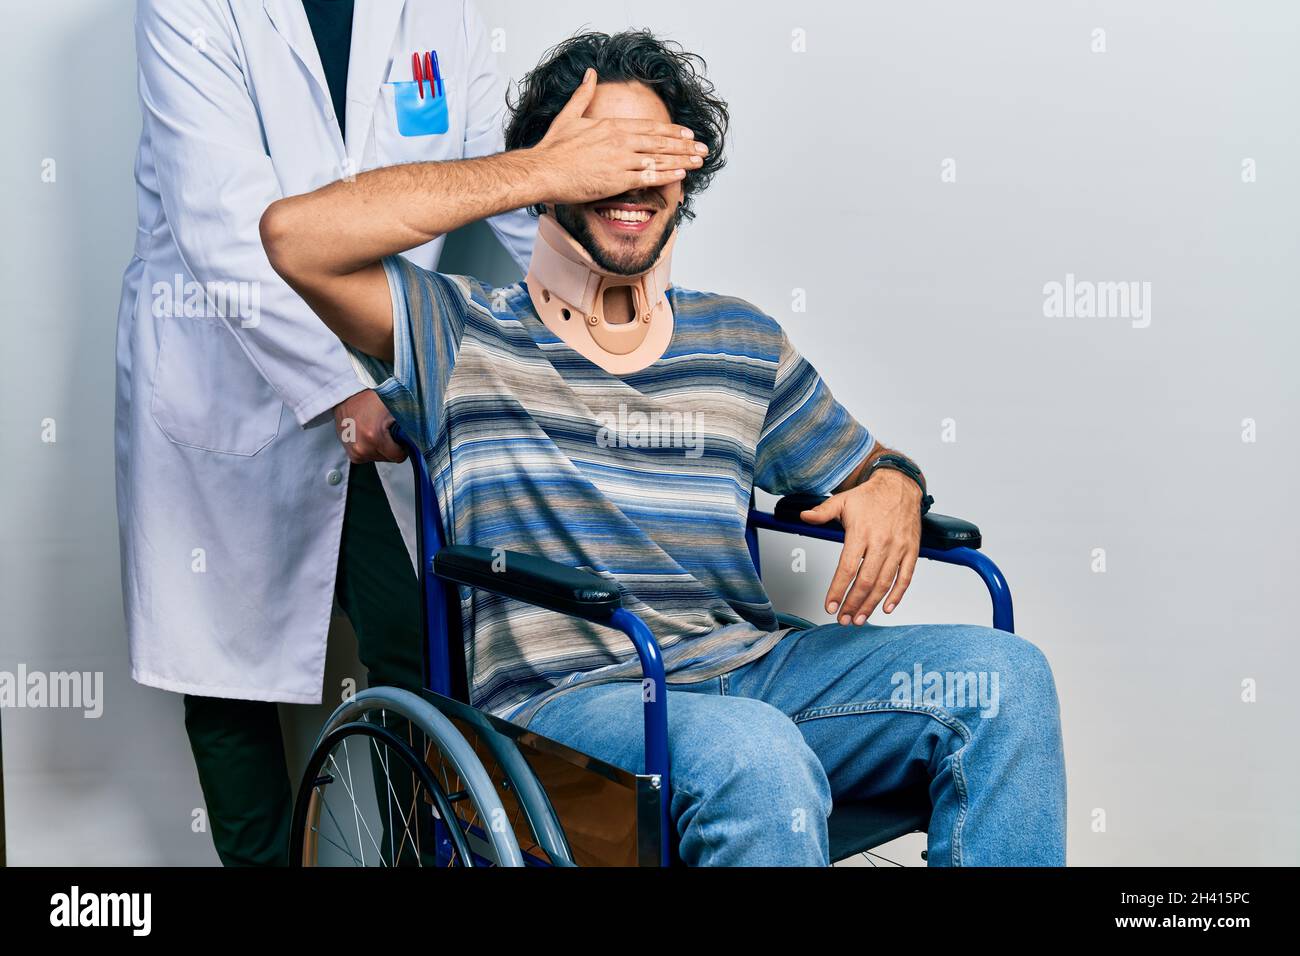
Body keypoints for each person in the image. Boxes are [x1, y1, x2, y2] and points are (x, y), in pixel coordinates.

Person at [260, 30, 1067, 866]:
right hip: (569, 704)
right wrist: (542, 168)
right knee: (752, 755)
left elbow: (868, 466)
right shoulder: (463, 331)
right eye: (605, 156)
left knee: (1005, 680)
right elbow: (293, 237)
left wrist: (896, 481)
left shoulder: (740, 340)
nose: (631, 179)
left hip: (756, 674)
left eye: (653, 156)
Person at [114, 0, 535, 866]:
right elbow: (222, 223)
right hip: (223, 369)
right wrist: (338, 388)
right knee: (224, 675)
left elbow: (509, 176)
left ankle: (409, 860)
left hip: (386, 371)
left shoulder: (443, 9)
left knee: (418, 649)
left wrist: (615, 316)